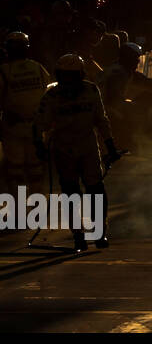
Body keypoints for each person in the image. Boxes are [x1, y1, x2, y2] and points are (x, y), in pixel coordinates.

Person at [32, 54, 122, 251]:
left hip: (88, 145)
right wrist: (39, 144)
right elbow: (39, 123)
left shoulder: (91, 90)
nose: (68, 81)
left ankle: (99, 231)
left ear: (80, 75)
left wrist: (110, 145)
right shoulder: (51, 96)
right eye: (65, 76)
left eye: (72, 76)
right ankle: (78, 234)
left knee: (96, 189)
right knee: (71, 192)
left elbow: (102, 120)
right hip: (64, 148)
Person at [0, 32, 52, 198]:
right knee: (32, 168)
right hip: (28, 126)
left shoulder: (4, 71)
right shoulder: (37, 67)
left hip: (17, 127)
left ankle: (22, 208)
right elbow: (48, 93)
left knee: (18, 170)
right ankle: (34, 207)